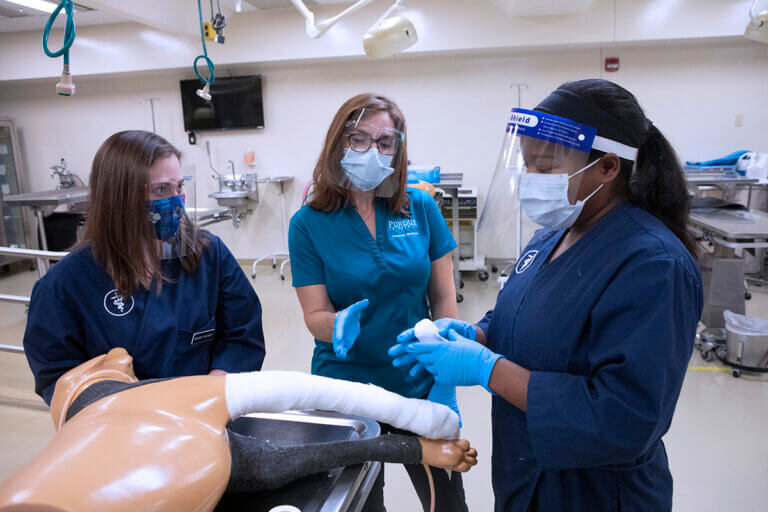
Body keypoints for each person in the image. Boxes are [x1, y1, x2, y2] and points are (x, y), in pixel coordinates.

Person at [392, 79, 704, 512]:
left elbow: (626, 418)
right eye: (526, 166)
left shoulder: (653, 265)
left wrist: (487, 369)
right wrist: (476, 335)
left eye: (545, 167)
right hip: (526, 474)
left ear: (609, 166)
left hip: (594, 493)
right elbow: (524, 316)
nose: (530, 181)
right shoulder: (553, 235)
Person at [0, 348, 476, 511]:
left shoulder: (183, 421)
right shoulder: (190, 434)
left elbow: (310, 398)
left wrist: (416, 439)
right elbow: (313, 395)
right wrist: (417, 437)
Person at [288, 93, 465, 511]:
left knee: (449, 504)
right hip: (347, 392)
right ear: (338, 143)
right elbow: (314, 314)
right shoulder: (307, 224)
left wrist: (445, 360)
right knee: (362, 504)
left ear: (397, 150)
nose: (372, 151)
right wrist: (335, 325)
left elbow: (443, 295)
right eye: (359, 138)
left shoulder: (419, 207)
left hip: (418, 385)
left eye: (385, 142)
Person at [23, 130, 265, 405]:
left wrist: (209, 397)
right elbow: (57, 376)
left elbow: (242, 334)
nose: (177, 201)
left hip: (204, 416)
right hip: (118, 428)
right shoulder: (64, 286)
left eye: (180, 187)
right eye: (162, 189)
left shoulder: (209, 256)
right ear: (120, 197)